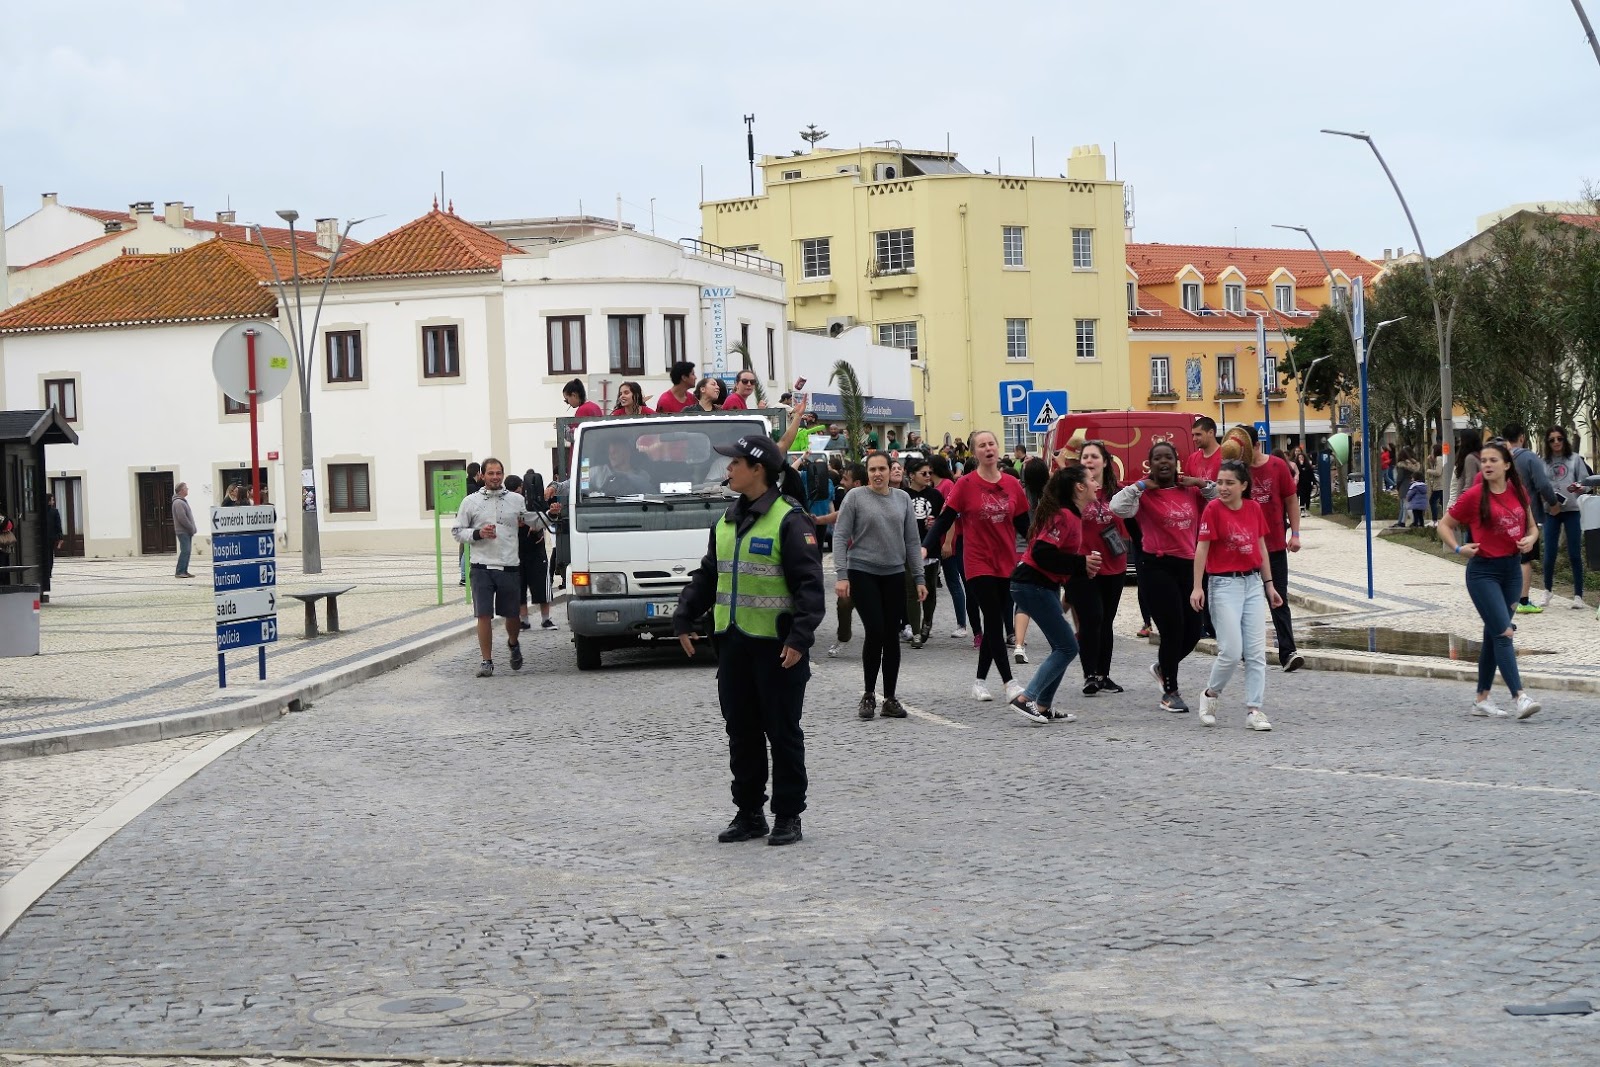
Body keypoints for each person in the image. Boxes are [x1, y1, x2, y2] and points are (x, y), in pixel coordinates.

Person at [674, 433, 825, 847]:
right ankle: (749, 812)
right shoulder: (725, 520)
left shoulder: (790, 519)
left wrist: (800, 637)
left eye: (735, 463)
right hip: (734, 644)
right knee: (741, 732)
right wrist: (685, 614)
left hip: (778, 648)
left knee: (783, 732)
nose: (728, 469)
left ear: (757, 469)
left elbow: (810, 588)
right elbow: (709, 575)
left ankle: (788, 815)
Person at [921, 430, 1031, 702]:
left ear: (997, 448)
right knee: (993, 618)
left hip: (1006, 561)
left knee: (995, 623)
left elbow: (1024, 525)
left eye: (991, 443)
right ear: (974, 452)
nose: (988, 448)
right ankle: (1010, 683)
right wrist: (926, 545)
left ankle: (980, 682)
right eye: (982, 445)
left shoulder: (1012, 484)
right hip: (977, 561)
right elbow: (945, 519)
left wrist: (1040, 548)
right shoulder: (966, 484)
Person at [1438, 441, 1542, 720]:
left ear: (1507, 465)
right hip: (1483, 573)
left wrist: (1530, 540)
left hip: (1511, 572)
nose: (1486, 465)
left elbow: (1532, 528)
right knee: (1504, 632)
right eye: (1484, 460)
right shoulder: (1474, 496)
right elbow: (1444, 525)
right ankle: (1520, 696)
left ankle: (1481, 698)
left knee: (1492, 634)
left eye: (1493, 460)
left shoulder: (1518, 491)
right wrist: (1459, 548)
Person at [1111, 441, 1218, 712]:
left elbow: (1220, 498)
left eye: (1168, 457)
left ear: (1176, 462)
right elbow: (1117, 507)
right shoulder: (1143, 494)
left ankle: (1162, 667)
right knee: (1172, 629)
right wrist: (1142, 486)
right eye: (1157, 458)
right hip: (1155, 566)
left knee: (1194, 632)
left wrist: (1200, 482)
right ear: (1150, 464)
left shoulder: (1190, 490)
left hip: (1188, 565)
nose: (1163, 462)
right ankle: (1170, 692)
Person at [1190, 459, 1281, 732]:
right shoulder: (1212, 509)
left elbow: (1261, 548)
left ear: (1243, 485)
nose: (1223, 487)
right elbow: (1202, 550)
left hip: (1252, 583)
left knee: (1255, 653)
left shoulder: (1254, 509)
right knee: (1231, 651)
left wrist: (1269, 585)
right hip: (1223, 585)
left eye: (1230, 482)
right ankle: (1210, 695)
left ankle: (1255, 710)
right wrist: (1197, 586)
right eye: (1219, 482)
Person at [1009, 464, 1103, 724]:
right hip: (1030, 584)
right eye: (1092, 479)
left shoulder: (1071, 515)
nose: (1097, 484)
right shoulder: (1064, 515)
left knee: (1063, 646)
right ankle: (1025, 699)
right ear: (1079, 487)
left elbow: (1059, 559)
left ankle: (1043, 705)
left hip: (1041, 585)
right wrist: (1080, 564)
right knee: (1067, 646)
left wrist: (1082, 568)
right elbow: (1042, 552)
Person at [834, 452, 926, 720]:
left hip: (894, 574)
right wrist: (842, 575)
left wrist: (919, 578)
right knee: (875, 630)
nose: (877, 474)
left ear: (890, 471)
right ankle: (868, 694)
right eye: (872, 469)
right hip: (862, 571)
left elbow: (912, 540)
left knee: (891, 637)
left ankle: (890, 697)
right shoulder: (855, 497)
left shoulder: (903, 499)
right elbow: (840, 537)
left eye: (882, 469)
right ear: (867, 472)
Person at [452, 458, 542, 677]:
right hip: (481, 565)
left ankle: (513, 643)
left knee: (512, 616)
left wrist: (551, 516)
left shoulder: (516, 499)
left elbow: (532, 521)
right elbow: (457, 531)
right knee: (483, 615)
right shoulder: (470, 502)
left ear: (502, 475)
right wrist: (477, 534)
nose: (495, 477)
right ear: (482, 475)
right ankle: (486, 661)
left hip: (509, 564)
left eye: (498, 473)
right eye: (490, 473)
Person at [1245, 430, 1305, 672]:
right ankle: (1245, 651)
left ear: (1257, 444)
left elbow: (1291, 500)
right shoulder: (1236, 469)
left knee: (1279, 598)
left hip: (1274, 545)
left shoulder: (1278, 466)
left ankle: (1288, 652)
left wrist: (1296, 534)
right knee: (1244, 602)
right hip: (1244, 548)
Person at [1077, 440, 1131, 695]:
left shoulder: (1118, 492)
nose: (1088, 461)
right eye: (1084, 457)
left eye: (1093, 457)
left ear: (1105, 462)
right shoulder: (1074, 492)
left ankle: (1103, 674)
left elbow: (1133, 524)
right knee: (1091, 619)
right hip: (1084, 566)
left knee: (1106, 621)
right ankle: (1089, 675)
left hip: (1114, 565)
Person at [1499, 424, 1558, 614]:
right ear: (1522, 437)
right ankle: (1522, 601)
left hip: (1501, 513)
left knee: (1507, 555)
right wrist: (1553, 502)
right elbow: (1542, 484)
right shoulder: (1529, 457)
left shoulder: (1500, 458)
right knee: (1525, 558)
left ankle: (1502, 596)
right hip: (1526, 514)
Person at [1540, 426, 1591, 610]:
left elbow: (1586, 484)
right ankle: (1547, 590)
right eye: (1552, 439)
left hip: (1572, 510)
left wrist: (1579, 488)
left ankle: (1578, 595)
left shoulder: (1575, 459)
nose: (1556, 443)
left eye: (1559, 439)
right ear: (1547, 442)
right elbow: (1539, 486)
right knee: (1549, 552)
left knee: (1575, 552)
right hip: (1551, 511)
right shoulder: (1543, 462)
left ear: (1565, 440)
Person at [1010, 456, 1052, 664]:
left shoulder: (1019, 493)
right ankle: (1058, 639)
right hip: (1046, 550)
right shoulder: (1052, 496)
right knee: (1052, 594)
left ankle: (1019, 643)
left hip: (1021, 550)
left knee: (1022, 601)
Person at [826, 462, 867, 658]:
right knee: (844, 602)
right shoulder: (848, 499)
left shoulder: (872, 499)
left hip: (873, 564)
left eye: (845, 479)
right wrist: (819, 520)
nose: (841, 482)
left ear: (857, 483)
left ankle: (881, 639)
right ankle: (843, 637)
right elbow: (839, 519)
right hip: (852, 562)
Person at [505, 474, 556, 631]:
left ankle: (544, 619)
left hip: (535, 547)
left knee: (541, 584)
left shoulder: (532, 501)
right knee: (519, 586)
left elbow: (542, 519)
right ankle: (525, 621)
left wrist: (538, 529)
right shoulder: (506, 504)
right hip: (516, 551)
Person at [903, 457, 944, 647]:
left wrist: (935, 526)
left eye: (929, 473)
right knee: (911, 592)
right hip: (907, 550)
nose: (928, 476)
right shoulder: (902, 495)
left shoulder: (936, 495)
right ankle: (916, 632)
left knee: (929, 590)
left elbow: (945, 520)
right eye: (924, 473)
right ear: (911, 475)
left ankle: (927, 621)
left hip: (930, 549)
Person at [927, 455, 969, 639]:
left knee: (954, 581)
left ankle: (962, 623)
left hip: (948, 541)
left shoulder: (947, 485)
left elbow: (952, 516)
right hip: (935, 541)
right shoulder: (932, 487)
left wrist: (948, 542)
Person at [41, 492, 64, 604]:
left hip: (50, 538)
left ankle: (48, 571)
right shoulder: (48, 512)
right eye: (52, 500)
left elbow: (58, 525)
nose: (53, 502)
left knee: (49, 555)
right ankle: (48, 571)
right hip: (47, 537)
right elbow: (58, 525)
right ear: (49, 501)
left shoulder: (54, 512)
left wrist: (59, 537)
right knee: (48, 555)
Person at [1451, 428, 1483, 507]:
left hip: (1468, 502)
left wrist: (1461, 502)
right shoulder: (1479, 456)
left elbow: (1470, 482)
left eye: (1461, 440)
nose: (1459, 442)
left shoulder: (1470, 458)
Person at [172, 482, 197, 579]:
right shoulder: (178, 502)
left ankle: (184, 571)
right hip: (183, 531)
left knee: (187, 551)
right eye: (186, 488)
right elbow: (182, 518)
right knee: (185, 550)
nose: (187, 489)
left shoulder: (182, 501)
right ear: (181, 490)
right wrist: (190, 527)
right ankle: (179, 571)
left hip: (186, 531)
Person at [1188, 416, 1223, 482]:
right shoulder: (1192, 459)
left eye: (1198, 434)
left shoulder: (1225, 457)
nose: (1194, 439)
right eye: (1193, 435)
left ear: (1211, 433)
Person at [1424, 444, 1445, 524]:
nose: (1431, 452)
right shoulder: (1438, 459)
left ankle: (1435, 520)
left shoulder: (1439, 459)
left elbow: (1438, 472)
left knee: (1432, 501)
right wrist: (1430, 461)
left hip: (1439, 485)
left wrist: (1428, 470)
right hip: (1440, 484)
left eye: (1432, 450)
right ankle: (1443, 519)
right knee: (1442, 502)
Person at [1294, 446, 1316, 515]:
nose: (1301, 459)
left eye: (1302, 457)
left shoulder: (1308, 466)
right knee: (1302, 495)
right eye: (1299, 458)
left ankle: (1307, 508)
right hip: (1300, 483)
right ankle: (1302, 509)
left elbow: (1311, 474)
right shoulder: (1296, 466)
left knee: (1307, 496)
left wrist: (1314, 482)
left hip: (1308, 483)